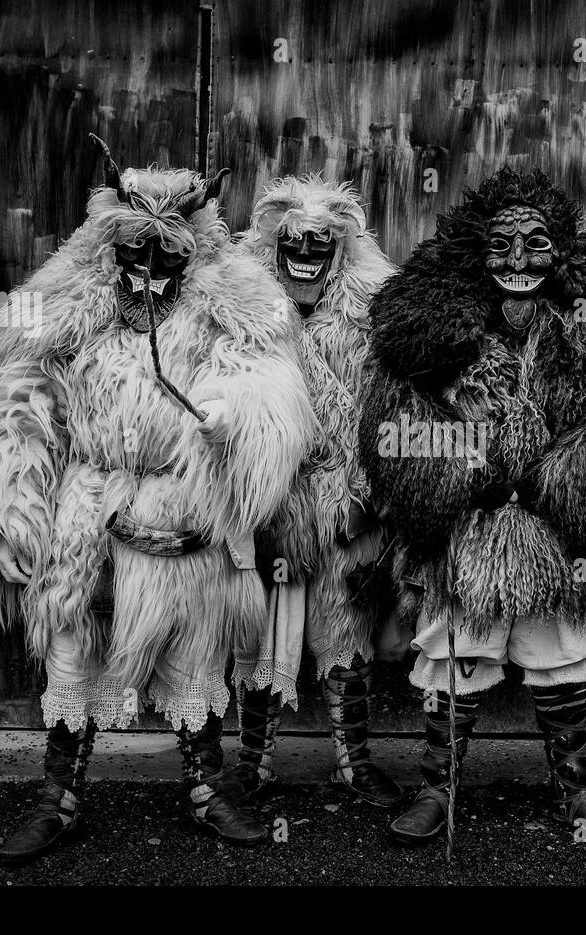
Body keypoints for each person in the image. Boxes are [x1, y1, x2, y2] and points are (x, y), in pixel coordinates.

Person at [0, 136, 314, 862]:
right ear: (112, 249)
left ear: (193, 256)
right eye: (134, 256)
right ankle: (59, 794)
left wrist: (230, 411)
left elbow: (268, 378)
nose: (148, 273)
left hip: (179, 505)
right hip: (89, 505)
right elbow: (21, 402)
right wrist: (3, 507)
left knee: (193, 656)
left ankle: (208, 788)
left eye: (168, 259)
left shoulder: (228, 305)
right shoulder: (69, 309)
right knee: (71, 648)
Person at [359, 169, 586, 845]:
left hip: (558, 535)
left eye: (536, 243)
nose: (519, 261)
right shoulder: (436, 334)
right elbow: (400, 422)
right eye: (503, 245)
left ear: (562, 250)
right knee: (452, 652)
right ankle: (439, 786)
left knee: (560, 652)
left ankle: (577, 790)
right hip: (467, 532)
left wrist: (565, 484)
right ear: (476, 249)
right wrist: (465, 475)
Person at [224, 176, 401, 808]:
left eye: (320, 244)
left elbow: (389, 412)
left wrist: (369, 497)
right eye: (294, 243)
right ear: (275, 247)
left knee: (344, 629)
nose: (306, 251)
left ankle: (354, 761)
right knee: (262, 634)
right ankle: (253, 763)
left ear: (339, 250)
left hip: (343, 502)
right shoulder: (245, 320)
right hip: (267, 499)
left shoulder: (370, 322)